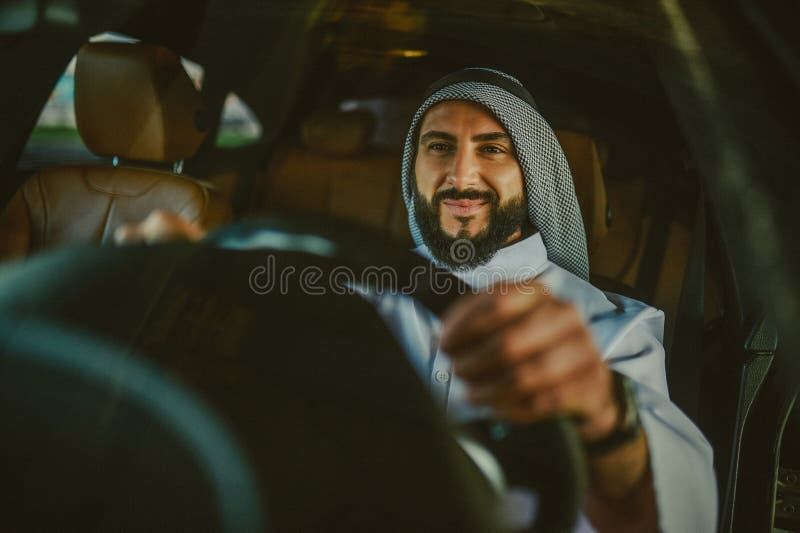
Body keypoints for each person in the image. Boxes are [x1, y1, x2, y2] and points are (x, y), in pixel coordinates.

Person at [116, 68, 717, 532]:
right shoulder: (349, 288)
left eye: (491, 148)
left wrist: (604, 415)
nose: (461, 174)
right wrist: (177, 289)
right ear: (413, 172)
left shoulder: (613, 329)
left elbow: (680, 514)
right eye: (438, 147)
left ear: (531, 172)